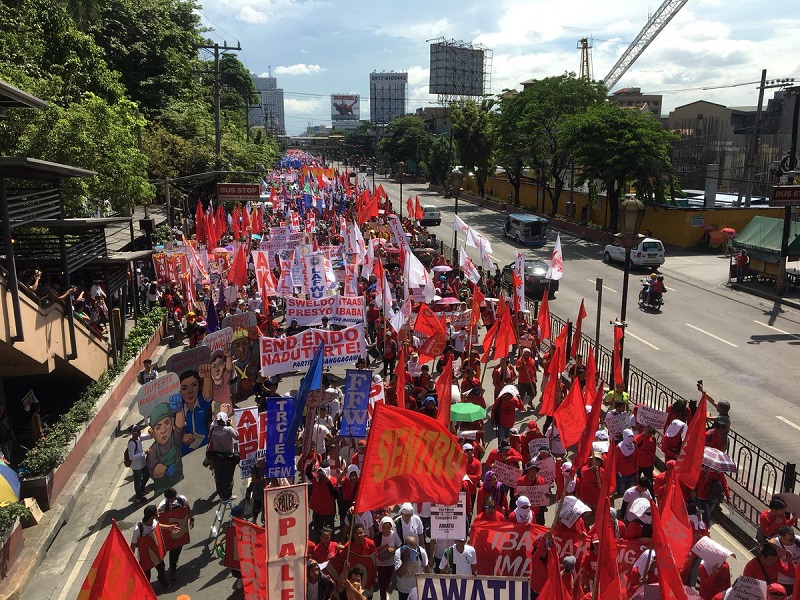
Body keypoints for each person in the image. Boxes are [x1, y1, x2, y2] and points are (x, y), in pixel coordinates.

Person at [130, 505, 180, 590]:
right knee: (146, 574)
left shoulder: (154, 521)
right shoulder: (138, 529)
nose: (158, 513)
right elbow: (133, 545)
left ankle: (161, 578)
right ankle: (147, 589)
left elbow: (158, 526)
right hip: (144, 555)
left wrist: (169, 527)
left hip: (156, 551)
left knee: (161, 568)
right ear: (152, 516)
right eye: (157, 513)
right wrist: (132, 560)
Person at [156, 487, 193, 580]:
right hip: (170, 531)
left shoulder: (182, 499)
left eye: (173, 497)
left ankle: (173, 564)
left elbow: (187, 508)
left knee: (179, 547)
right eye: (171, 499)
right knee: (173, 549)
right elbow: (157, 516)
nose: (173, 500)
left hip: (181, 529)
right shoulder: (163, 505)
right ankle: (172, 569)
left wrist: (191, 519)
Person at [209, 411, 239, 501]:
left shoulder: (214, 430)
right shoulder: (228, 429)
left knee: (219, 476)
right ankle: (227, 496)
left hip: (217, 456)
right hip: (228, 457)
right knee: (228, 477)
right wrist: (231, 426)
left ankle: (221, 494)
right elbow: (237, 436)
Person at [375, 517, 402, 600]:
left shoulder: (394, 535)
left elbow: (399, 546)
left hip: (391, 563)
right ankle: (383, 597)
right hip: (380, 563)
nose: (385, 530)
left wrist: (393, 550)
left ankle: (385, 592)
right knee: (382, 583)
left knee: (387, 580)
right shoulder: (378, 536)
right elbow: (374, 549)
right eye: (384, 527)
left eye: (388, 527)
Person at [395, 535, 428, 600]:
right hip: (403, 590)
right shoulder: (398, 553)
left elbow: (426, 569)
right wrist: (406, 559)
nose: (413, 550)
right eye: (411, 549)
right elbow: (399, 574)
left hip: (417, 589)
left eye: (414, 548)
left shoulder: (422, 552)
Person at [772, 526, 800, 595]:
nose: (792, 541)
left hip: (796, 581)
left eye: (793, 539)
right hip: (781, 581)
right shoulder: (774, 544)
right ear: (781, 537)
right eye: (789, 540)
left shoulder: (798, 541)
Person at [128, 425, 150, 503]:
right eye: (137, 431)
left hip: (142, 463)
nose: (139, 432)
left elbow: (149, 437)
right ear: (133, 433)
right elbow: (131, 457)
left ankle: (142, 489)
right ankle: (138, 497)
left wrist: (152, 432)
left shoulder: (139, 437)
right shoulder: (131, 443)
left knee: (147, 475)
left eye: (139, 430)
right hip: (137, 466)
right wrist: (143, 453)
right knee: (137, 482)